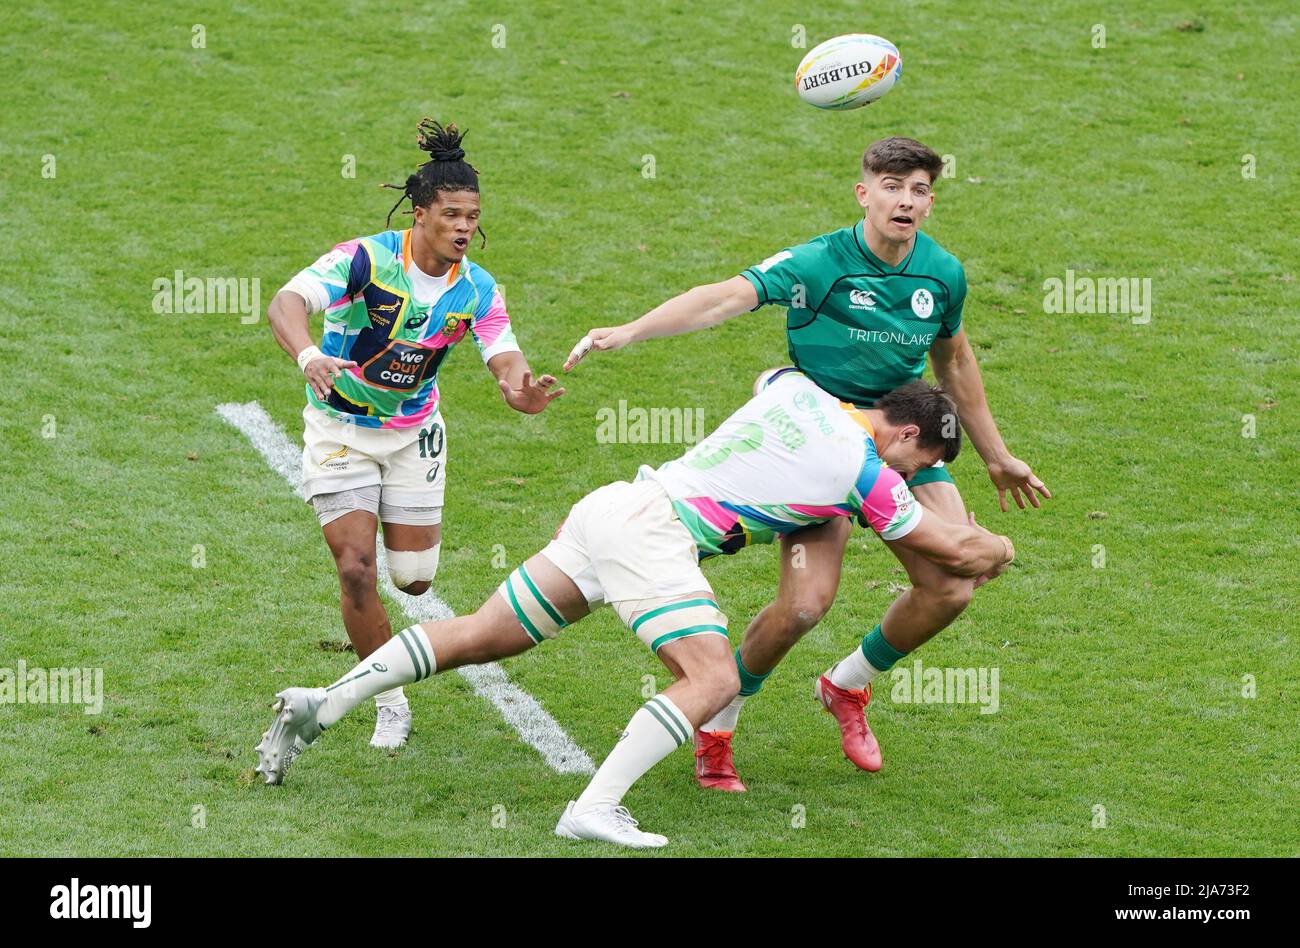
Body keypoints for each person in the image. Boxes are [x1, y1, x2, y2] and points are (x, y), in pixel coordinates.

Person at [254, 373, 1014, 848]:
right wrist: (1001, 547)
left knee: (483, 634)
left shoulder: (799, 391)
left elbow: (768, 376)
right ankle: (595, 807)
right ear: (906, 433)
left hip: (614, 505)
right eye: (923, 465)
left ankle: (327, 700)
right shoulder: (869, 475)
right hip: (658, 534)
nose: (913, 477)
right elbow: (950, 554)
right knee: (712, 678)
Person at [564, 136, 1048, 790]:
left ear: (931, 201)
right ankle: (719, 719)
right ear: (864, 193)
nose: (906, 201)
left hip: (902, 440)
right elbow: (724, 297)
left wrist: (998, 457)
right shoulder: (819, 263)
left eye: (920, 190)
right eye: (893, 186)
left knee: (953, 584)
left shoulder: (942, 273)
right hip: (818, 450)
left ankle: (846, 685)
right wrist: (631, 330)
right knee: (803, 608)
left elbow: (955, 361)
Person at [266, 119, 564, 750]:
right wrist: (307, 355)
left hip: (414, 434)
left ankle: (393, 644)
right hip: (341, 428)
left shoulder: (477, 289)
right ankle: (387, 700)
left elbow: (504, 354)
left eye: (472, 216)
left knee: (414, 580)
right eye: (452, 213)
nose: (463, 227)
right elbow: (286, 302)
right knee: (355, 569)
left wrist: (518, 389)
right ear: (421, 212)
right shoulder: (365, 259)